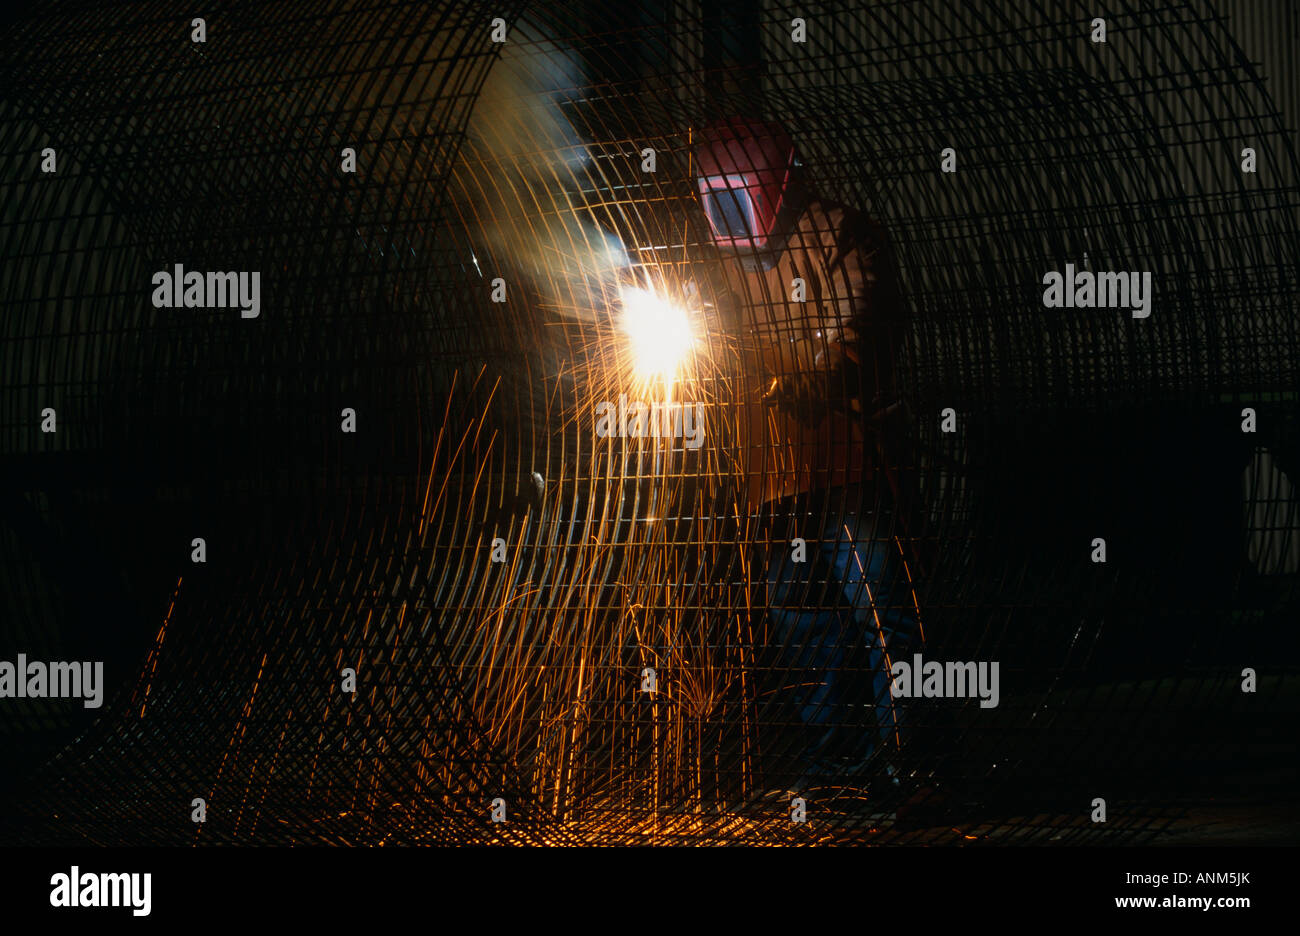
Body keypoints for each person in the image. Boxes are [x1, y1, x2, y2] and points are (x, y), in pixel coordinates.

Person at [693, 117, 925, 799]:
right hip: (772, 478)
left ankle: (912, 766)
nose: (726, 216)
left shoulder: (841, 234)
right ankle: (835, 769)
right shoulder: (716, 265)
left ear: (771, 186)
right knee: (802, 627)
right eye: (715, 200)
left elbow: (864, 319)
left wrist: (819, 377)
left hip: (851, 464)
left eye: (735, 197)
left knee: (885, 616)